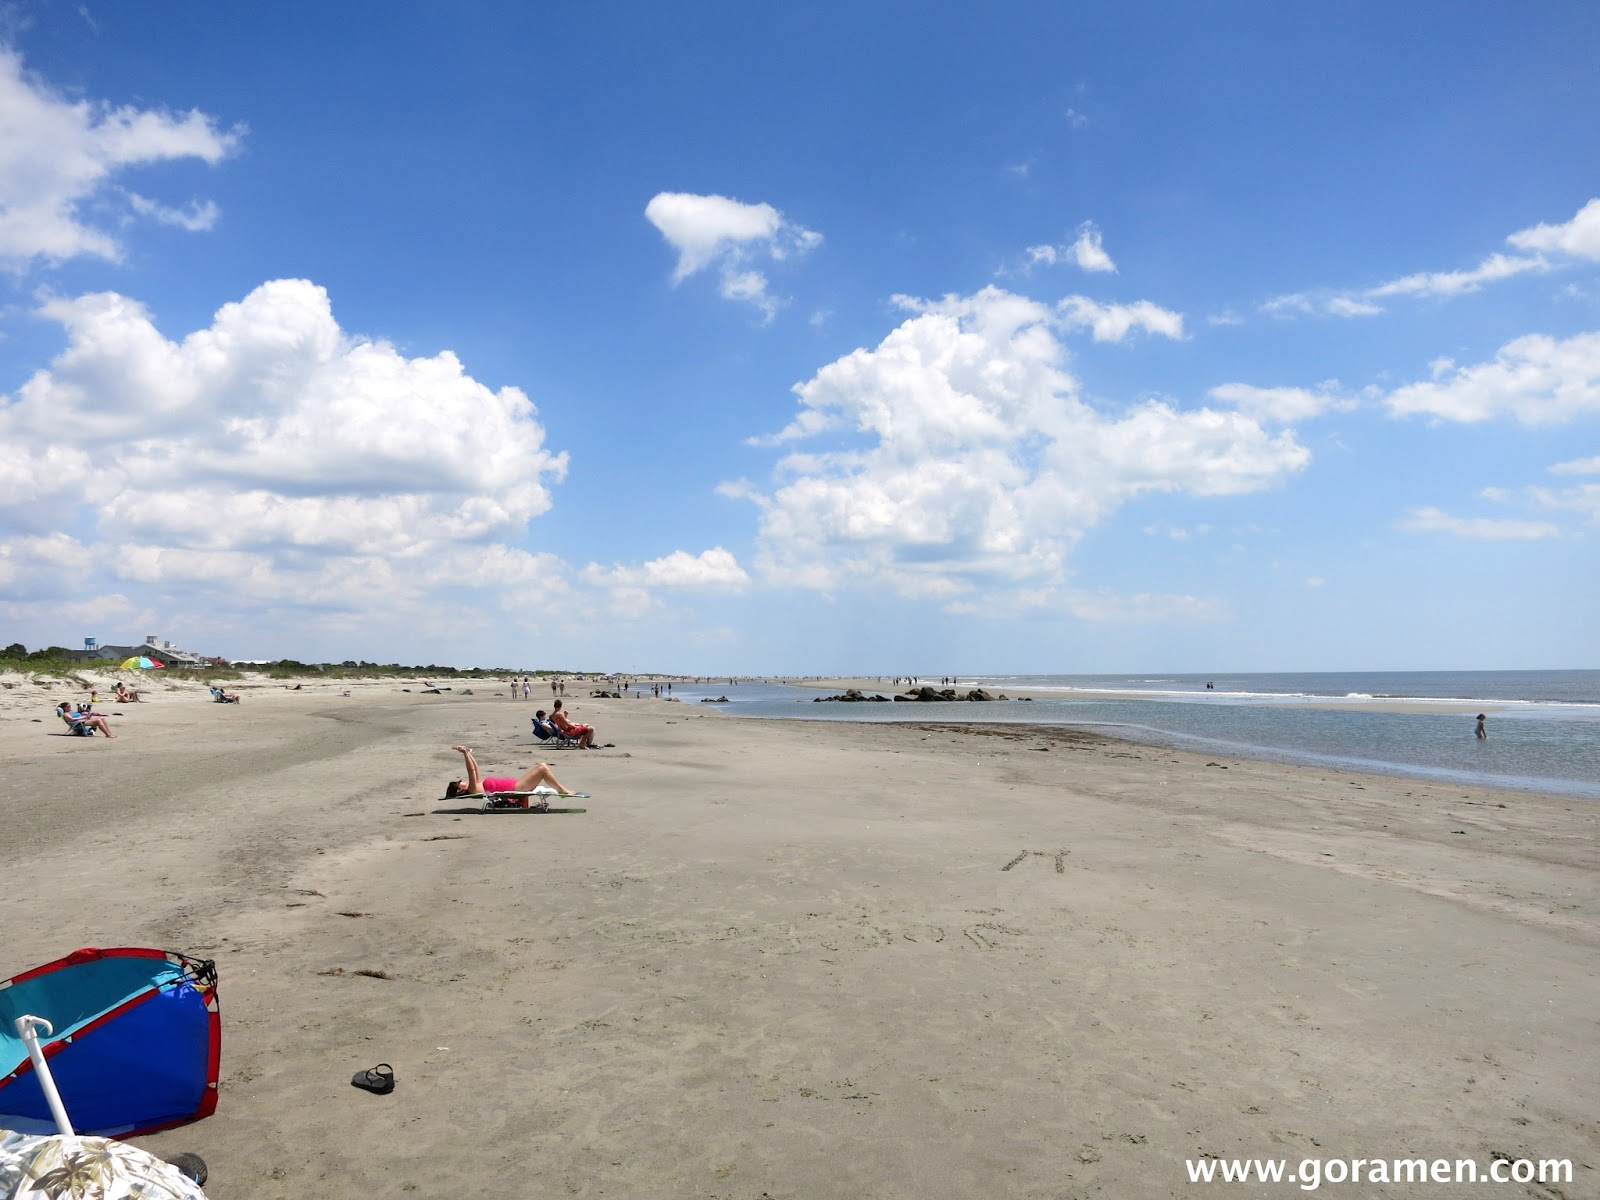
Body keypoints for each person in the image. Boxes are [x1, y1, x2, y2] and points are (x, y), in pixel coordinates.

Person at [445, 745, 575, 803]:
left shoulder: (477, 785)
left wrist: (468, 752)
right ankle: (562, 790)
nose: (462, 781)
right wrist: (464, 754)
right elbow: (471, 771)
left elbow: (476, 768)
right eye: (459, 782)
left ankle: (562, 790)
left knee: (542, 767)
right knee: (542, 767)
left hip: (517, 784)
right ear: (460, 790)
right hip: (517, 788)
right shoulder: (473, 789)